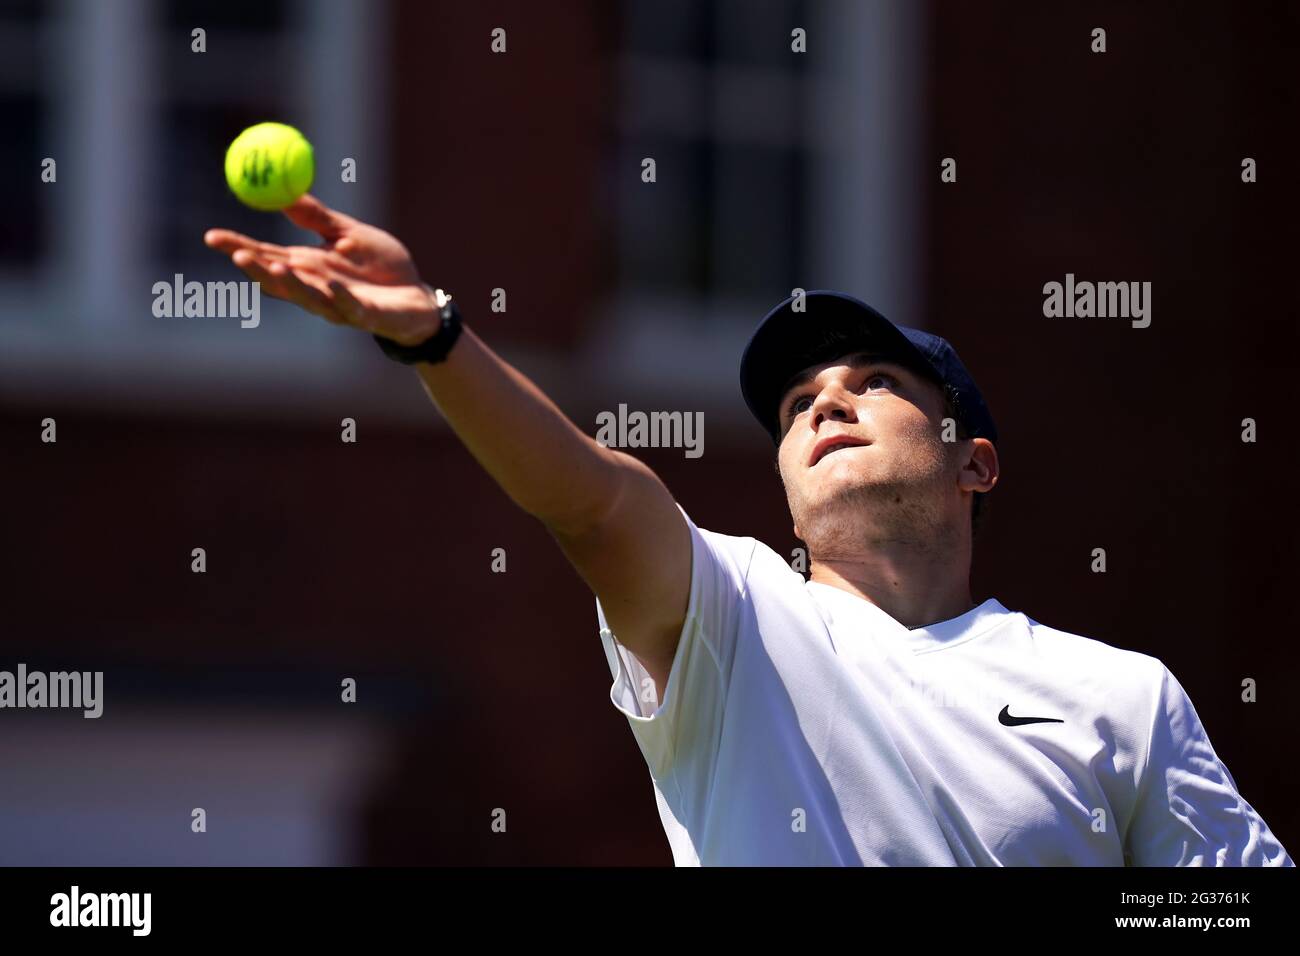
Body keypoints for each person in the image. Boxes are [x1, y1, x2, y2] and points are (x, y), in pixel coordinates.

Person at [206, 196, 1292, 867]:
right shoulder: (733, 615)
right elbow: (589, 499)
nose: (826, 402)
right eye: (796, 403)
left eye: (874, 381)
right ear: (780, 484)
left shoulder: (1121, 694)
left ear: (975, 461)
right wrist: (437, 337)